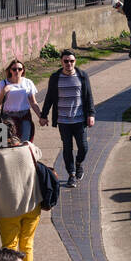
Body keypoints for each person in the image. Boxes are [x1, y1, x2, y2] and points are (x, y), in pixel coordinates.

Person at [0, 118, 44, 261]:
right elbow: (39, 155)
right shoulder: (29, 148)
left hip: (7, 209)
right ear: (14, 130)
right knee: (27, 245)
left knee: (10, 248)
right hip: (32, 205)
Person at [38, 49, 96, 187]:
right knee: (67, 147)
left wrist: (91, 114)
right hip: (63, 120)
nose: (69, 63)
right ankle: (72, 175)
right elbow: (50, 97)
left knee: (83, 147)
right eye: (66, 61)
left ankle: (78, 163)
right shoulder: (55, 77)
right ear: (61, 62)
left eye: (71, 61)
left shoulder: (82, 76)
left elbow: (89, 97)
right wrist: (44, 115)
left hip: (80, 119)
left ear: (75, 61)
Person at [0, 59, 38, 144]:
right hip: (9, 118)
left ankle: (24, 157)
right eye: (14, 69)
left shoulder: (28, 82)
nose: (17, 71)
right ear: (10, 70)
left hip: (25, 116)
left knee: (25, 143)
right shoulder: (3, 83)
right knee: (10, 144)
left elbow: (33, 102)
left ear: (23, 70)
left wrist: (41, 117)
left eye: (20, 69)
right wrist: (3, 92)